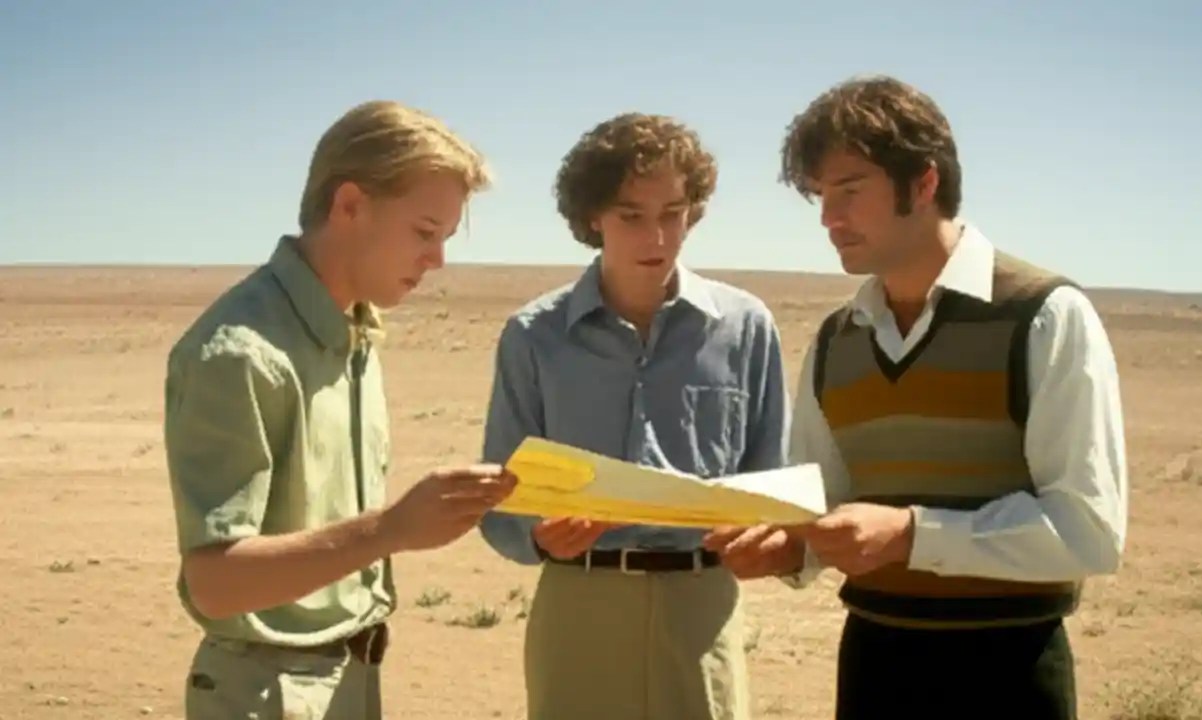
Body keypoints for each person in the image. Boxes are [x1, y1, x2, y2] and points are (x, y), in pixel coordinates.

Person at [713, 75, 1129, 719]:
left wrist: (912, 534)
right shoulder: (837, 340)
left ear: (925, 182)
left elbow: (1088, 533)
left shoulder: (1043, 316)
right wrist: (791, 547)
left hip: (1009, 674)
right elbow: (823, 504)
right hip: (874, 666)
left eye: (849, 191)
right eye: (820, 196)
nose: (828, 218)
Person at [162, 100, 516, 719]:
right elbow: (214, 584)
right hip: (268, 693)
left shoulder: (356, 334)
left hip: (350, 679)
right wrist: (392, 530)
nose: (437, 261)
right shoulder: (242, 354)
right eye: (424, 232)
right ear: (349, 205)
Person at [477, 112, 790, 720]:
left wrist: (766, 537)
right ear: (593, 217)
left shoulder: (746, 327)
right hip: (579, 604)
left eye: (673, 213)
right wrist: (538, 536)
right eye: (632, 216)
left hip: (702, 607)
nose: (658, 238)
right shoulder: (535, 336)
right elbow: (499, 495)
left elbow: (770, 480)